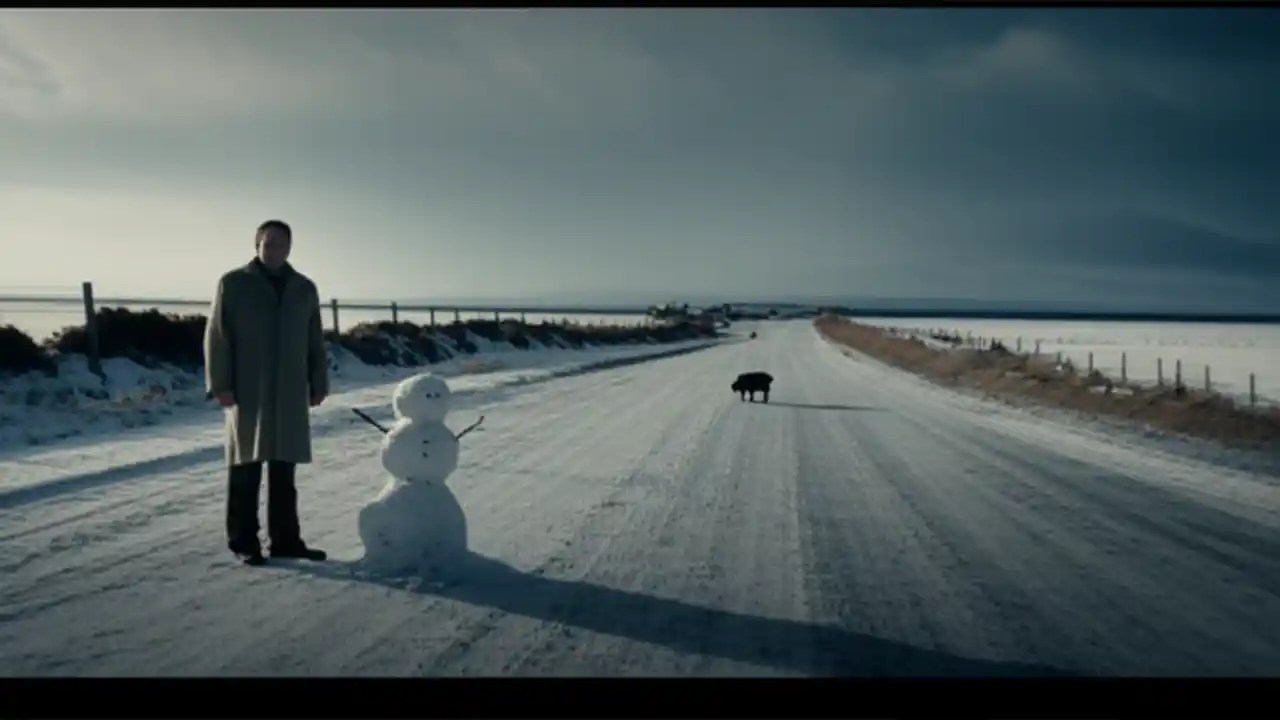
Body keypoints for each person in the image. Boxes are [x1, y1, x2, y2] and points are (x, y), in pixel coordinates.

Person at [203, 219, 330, 566]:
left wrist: (319, 381)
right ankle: (243, 542)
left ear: (291, 247)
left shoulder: (304, 288)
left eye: (282, 243)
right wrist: (220, 385)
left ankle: (286, 541)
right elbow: (217, 337)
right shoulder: (233, 284)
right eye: (268, 242)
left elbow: (314, 340)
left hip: (290, 390)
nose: (275, 249)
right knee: (245, 468)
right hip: (248, 390)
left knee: (283, 472)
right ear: (256, 244)